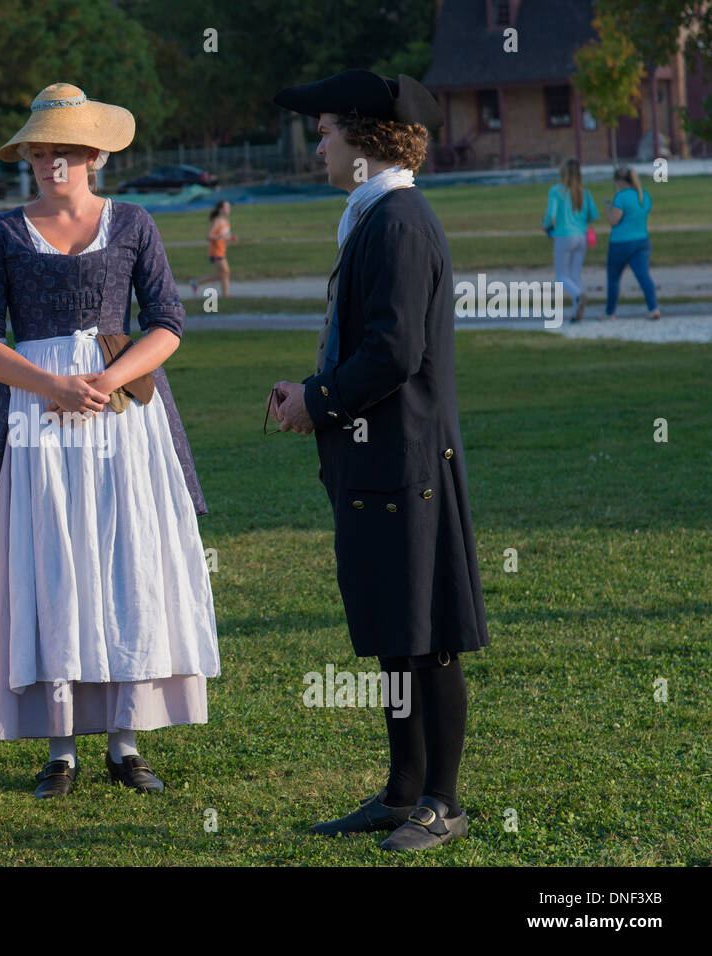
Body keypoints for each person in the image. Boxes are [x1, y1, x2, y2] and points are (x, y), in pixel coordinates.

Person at [0, 83, 220, 799]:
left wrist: (109, 378)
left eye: (65, 151)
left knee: (123, 557)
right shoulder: (4, 233)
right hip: (34, 422)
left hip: (125, 419)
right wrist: (52, 387)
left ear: (95, 155)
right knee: (52, 562)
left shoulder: (133, 222)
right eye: (40, 151)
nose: (50, 162)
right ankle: (60, 747)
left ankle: (126, 741)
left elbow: (167, 319)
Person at [269, 71, 489, 851]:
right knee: (393, 630)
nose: (320, 143)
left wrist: (317, 401)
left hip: (407, 459)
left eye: (328, 129)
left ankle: (444, 801)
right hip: (379, 460)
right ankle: (402, 793)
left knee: (428, 635)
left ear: (366, 140)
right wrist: (315, 393)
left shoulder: (397, 219)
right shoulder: (375, 213)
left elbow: (394, 352)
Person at [542, 158, 597, 322]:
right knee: (575, 275)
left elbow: (551, 215)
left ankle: (578, 296)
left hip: (564, 236)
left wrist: (546, 226)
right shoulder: (584, 192)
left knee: (561, 276)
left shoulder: (556, 191)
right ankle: (577, 311)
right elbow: (593, 215)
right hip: (581, 236)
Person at [603, 166, 660, 321]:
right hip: (642, 240)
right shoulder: (644, 196)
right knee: (643, 276)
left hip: (620, 243)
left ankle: (610, 313)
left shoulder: (621, 197)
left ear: (620, 181)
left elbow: (613, 221)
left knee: (614, 279)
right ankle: (653, 308)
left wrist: (609, 208)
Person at [189, 200, 238, 298]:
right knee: (225, 272)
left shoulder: (226, 222)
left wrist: (231, 239)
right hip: (216, 251)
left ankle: (196, 283)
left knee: (220, 275)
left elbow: (225, 237)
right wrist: (218, 237)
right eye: (226, 207)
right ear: (220, 210)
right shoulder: (216, 221)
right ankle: (226, 296)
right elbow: (208, 236)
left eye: (229, 207)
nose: (229, 209)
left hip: (222, 250)